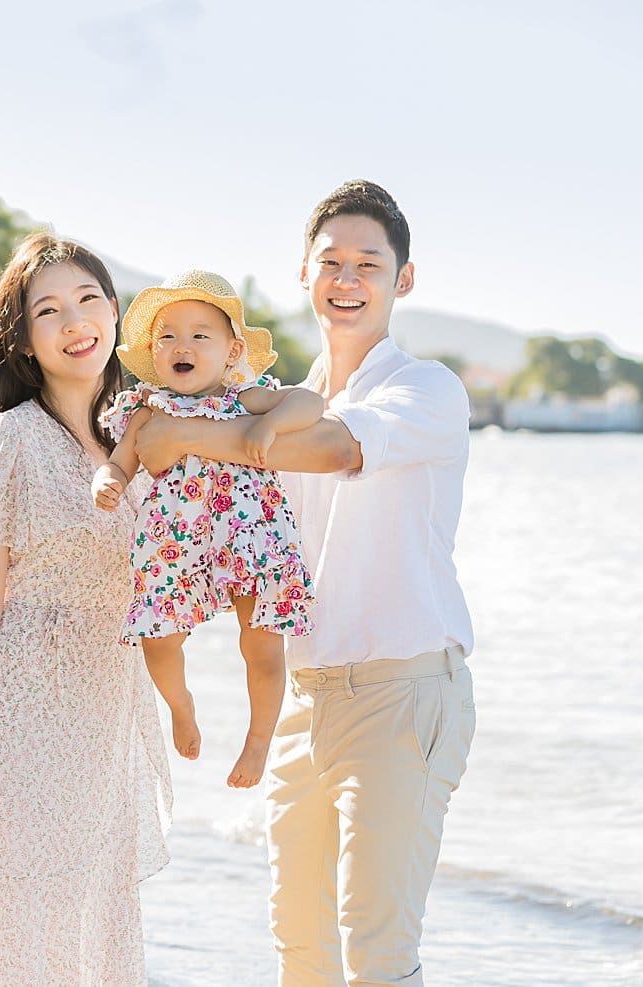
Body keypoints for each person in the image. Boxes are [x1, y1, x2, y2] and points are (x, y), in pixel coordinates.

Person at [133, 181, 476, 987]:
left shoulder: (426, 389)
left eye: (369, 263)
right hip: (305, 699)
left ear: (405, 279)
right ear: (305, 272)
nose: (348, 279)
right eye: (333, 262)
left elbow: (333, 450)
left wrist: (183, 432)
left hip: (403, 693)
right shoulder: (266, 398)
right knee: (301, 949)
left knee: (378, 953)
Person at [0, 233, 172, 987]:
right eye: (48, 310)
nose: (75, 321)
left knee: (86, 911)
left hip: (104, 713)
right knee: (8, 917)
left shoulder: (140, 435)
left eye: (87, 300)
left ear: (114, 312)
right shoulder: (6, 437)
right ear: (24, 338)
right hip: (17, 715)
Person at [91, 270, 324, 788]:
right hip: (175, 540)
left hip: (251, 534)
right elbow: (119, 463)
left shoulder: (246, 399)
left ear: (232, 349)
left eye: (201, 335)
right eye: (169, 335)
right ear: (154, 351)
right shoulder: (147, 409)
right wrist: (104, 482)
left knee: (261, 643)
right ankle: (181, 704)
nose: (183, 345)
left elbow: (313, 402)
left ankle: (259, 739)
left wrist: (270, 424)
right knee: (158, 637)